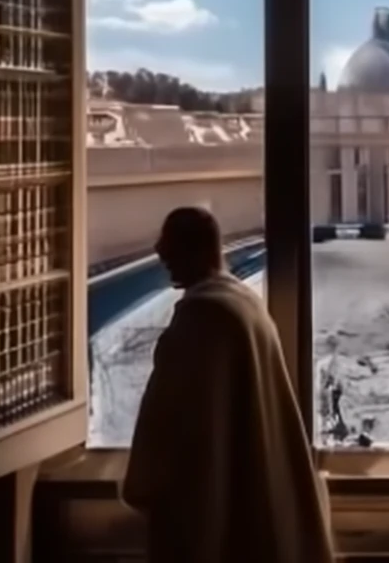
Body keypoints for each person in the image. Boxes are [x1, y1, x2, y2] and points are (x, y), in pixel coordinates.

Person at [122, 206, 334, 563]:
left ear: (194, 250)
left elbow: (169, 424)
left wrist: (145, 483)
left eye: (170, 246)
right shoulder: (245, 303)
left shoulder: (202, 316)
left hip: (216, 516)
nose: (161, 254)